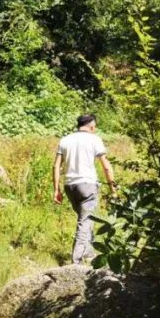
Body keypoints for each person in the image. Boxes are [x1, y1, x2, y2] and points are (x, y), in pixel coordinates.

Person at [52, 113, 116, 265]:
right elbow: (106, 166)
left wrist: (56, 189)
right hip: (87, 185)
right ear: (92, 125)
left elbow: (56, 166)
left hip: (70, 186)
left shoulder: (65, 140)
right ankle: (76, 261)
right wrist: (113, 188)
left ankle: (88, 252)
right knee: (85, 221)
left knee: (86, 219)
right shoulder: (95, 140)